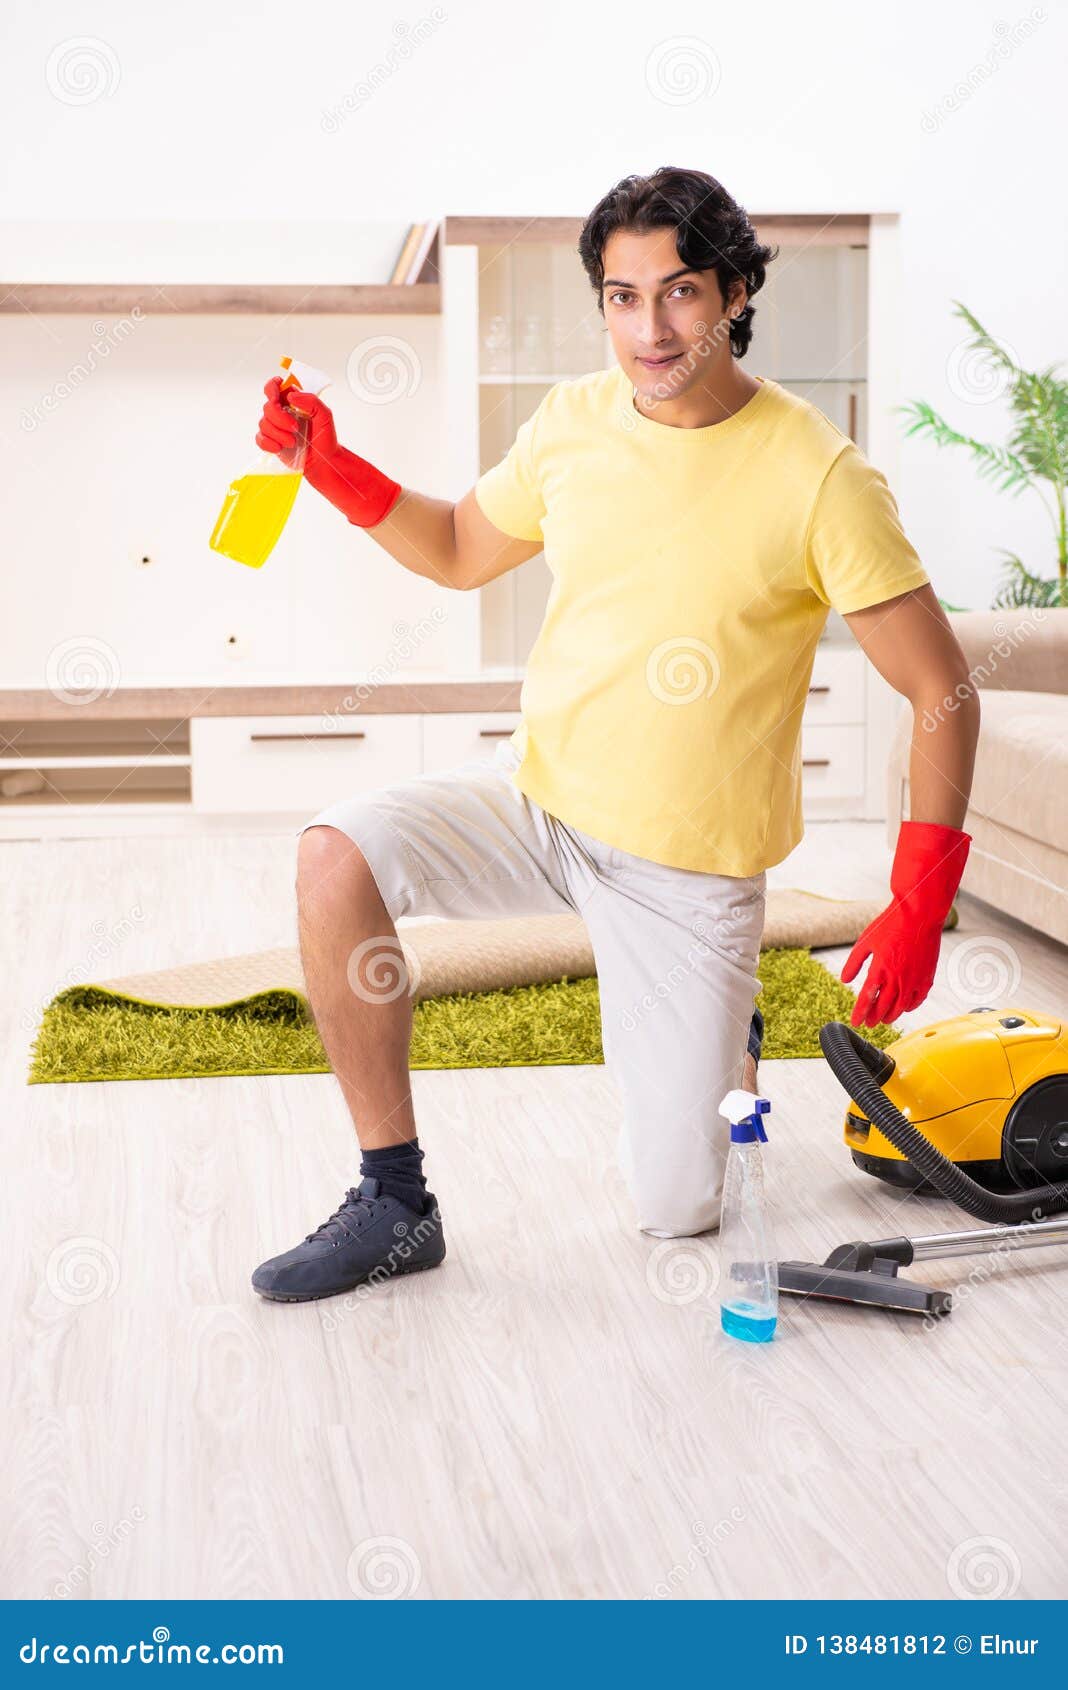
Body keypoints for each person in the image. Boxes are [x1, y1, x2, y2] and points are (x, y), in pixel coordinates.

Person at [250, 165, 979, 1304]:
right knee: (332, 851)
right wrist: (327, 465)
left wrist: (921, 892)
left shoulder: (820, 475)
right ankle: (395, 1199)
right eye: (622, 297)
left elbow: (940, 684)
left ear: (736, 291)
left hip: (684, 871)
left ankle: (727, 1025)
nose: (650, 327)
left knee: (676, 1209)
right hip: (539, 800)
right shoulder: (574, 421)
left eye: (680, 292)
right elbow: (453, 548)